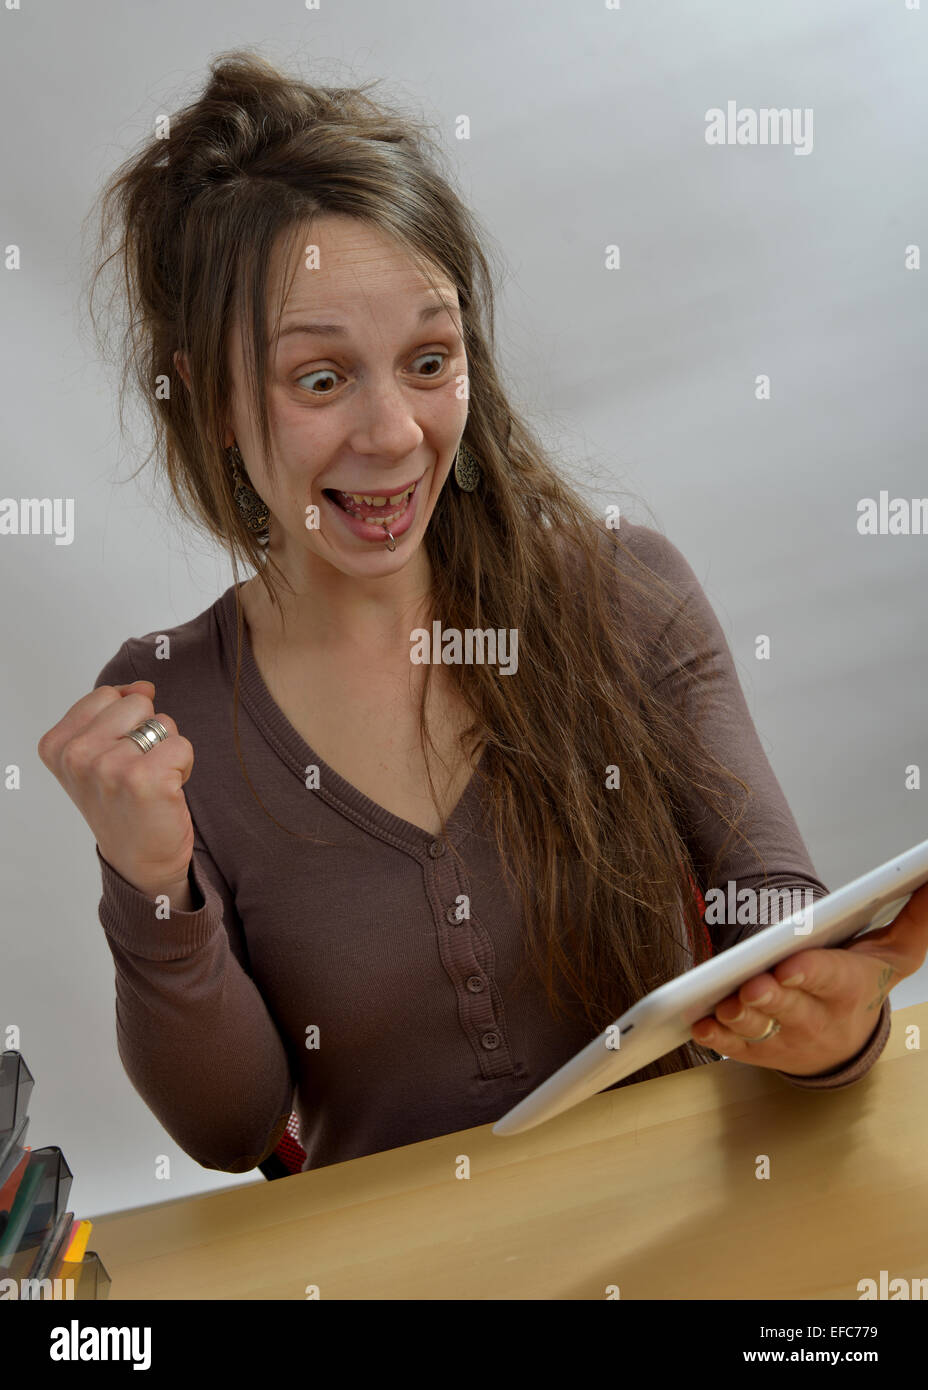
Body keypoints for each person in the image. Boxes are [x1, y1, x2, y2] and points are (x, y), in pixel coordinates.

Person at [37, 51, 926, 1175]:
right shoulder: (169, 711)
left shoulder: (625, 595)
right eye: (319, 378)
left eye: (428, 359)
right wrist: (152, 887)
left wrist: (838, 1021)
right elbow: (230, 1131)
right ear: (209, 396)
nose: (395, 432)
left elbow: (775, 927)